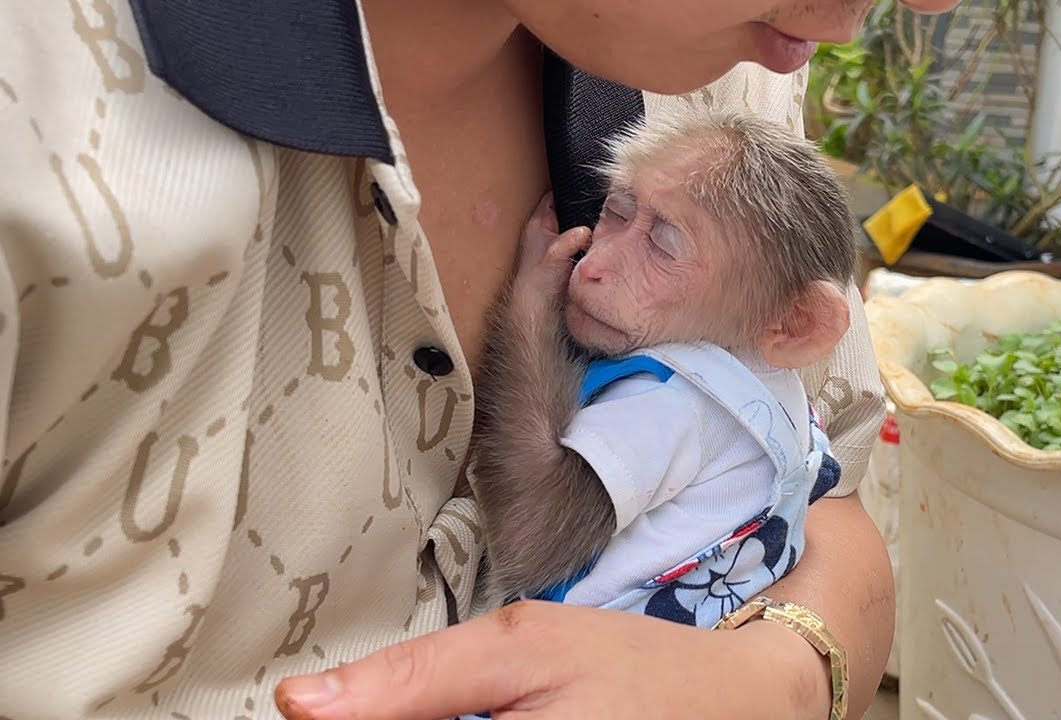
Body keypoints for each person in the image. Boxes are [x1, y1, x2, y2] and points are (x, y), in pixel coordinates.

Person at [0, 1, 960, 719]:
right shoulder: (42, 110)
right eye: (618, 214)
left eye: (663, 239)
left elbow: (834, 500)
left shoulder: (729, 76)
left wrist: (768, 681)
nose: (931, 4)